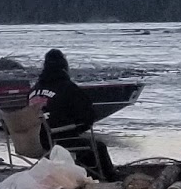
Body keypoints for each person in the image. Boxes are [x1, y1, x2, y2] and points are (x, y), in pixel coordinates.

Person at [30, 48, 116, 182]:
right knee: (98, 146)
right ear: (64, 66)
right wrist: (79, 126)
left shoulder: (34, 89)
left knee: (82, 142)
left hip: (34, 140)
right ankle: (110, 178)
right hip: (56, 140)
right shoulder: (67, 87)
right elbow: (88, 114)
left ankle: (88, 173)